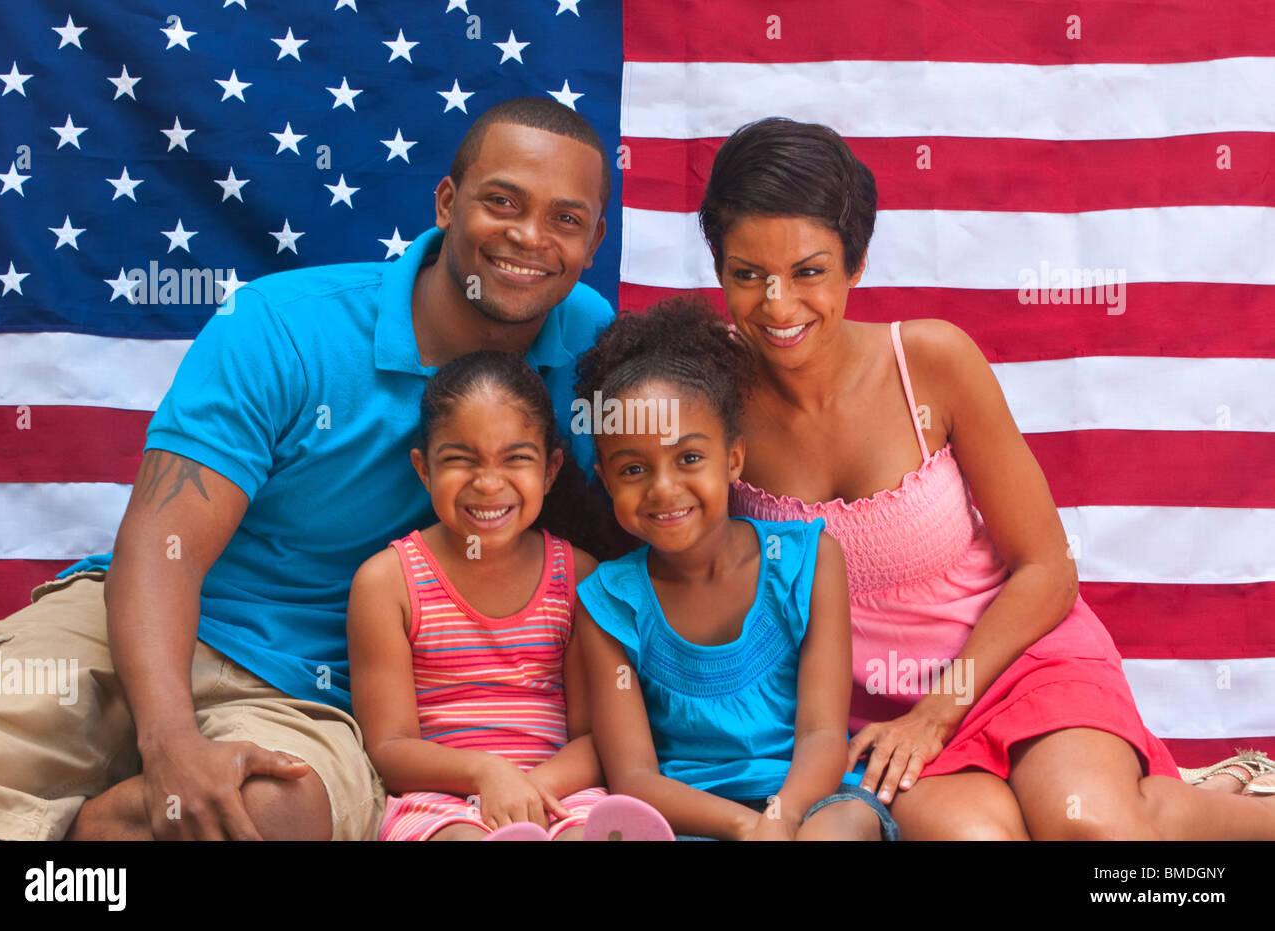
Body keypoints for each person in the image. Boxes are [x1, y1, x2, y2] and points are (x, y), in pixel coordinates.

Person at [0, 97, 618, 841]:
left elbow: (669, 479)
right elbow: (162, 546)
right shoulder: (278, 324)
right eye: (502, 201)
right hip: (145, 620)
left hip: (316, 691)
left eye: (565, 219)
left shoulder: (588, 344)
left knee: (264, 813)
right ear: (447, 203)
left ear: (595, 239)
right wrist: (172, 742)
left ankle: (87, 831)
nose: (529, 237)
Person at [706, 116, 1275, 839]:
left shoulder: (932, 362)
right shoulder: (710, 391)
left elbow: (1047, 567)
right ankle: (1184, 799)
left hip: (1016, 657)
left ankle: (1240, 809)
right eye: (746, 274)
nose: (777, 304)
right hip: (866, 715)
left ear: (857, 262)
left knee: (1095, 830)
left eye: (808, 271)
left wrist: (940, 709)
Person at [573, 299, 900, 841]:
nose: (663, 488)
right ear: (607, 481)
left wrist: (781, 817)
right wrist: (746, 827)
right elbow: (634, 776)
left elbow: (822, 735)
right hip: (687, 814)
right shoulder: (609, 602)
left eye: (689, 458)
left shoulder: (808, 562)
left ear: (733, 459)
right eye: (633, 468)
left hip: (814, 799)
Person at [348, 350, 612, 841]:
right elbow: (389, 747)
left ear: (551, 470)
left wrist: (529, 790)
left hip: (558, 791)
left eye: (516, 459)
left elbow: (596, 736)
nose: (489, 484)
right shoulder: (388, 583)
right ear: (423, 469)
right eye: (460, 460)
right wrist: (485, 776)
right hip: (441, 799)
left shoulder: (576, 575)